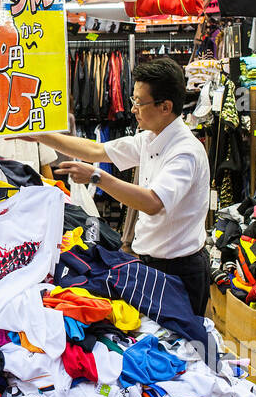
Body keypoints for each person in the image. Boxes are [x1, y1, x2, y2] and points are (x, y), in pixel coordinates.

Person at [25, 56, 212, 316]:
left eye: (138, 102)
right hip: (151, 261)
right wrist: (37, 134)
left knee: (185, 347)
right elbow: (96, 149)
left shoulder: (185, 152)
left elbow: (152, 203)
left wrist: (97, 177)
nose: (133, 108)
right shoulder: (149, 138)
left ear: (165, 107)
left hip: (180, 270)